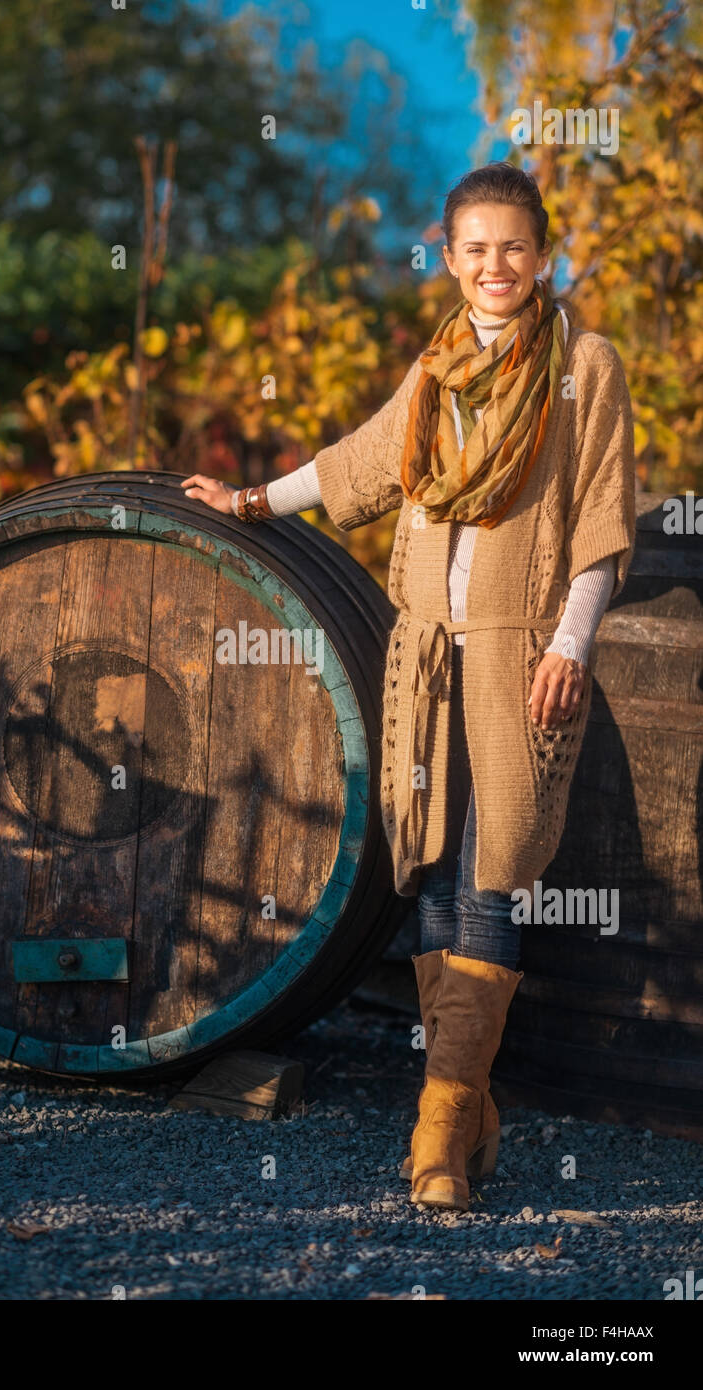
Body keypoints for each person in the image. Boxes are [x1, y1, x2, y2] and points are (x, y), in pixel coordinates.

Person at [180, 161, 636, 1213]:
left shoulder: (586, 366)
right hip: (425, 652)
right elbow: (357, 467)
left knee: (494, 863)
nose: (495, 266)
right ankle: (450, 1123)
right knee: (433, 869)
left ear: (544, 256)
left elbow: (604, 519)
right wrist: (250, 498)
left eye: (514, 247)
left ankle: (445, 1119)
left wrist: (571, 642)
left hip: (521, 653)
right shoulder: (435, 372)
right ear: (449, 255)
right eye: (474, 248)